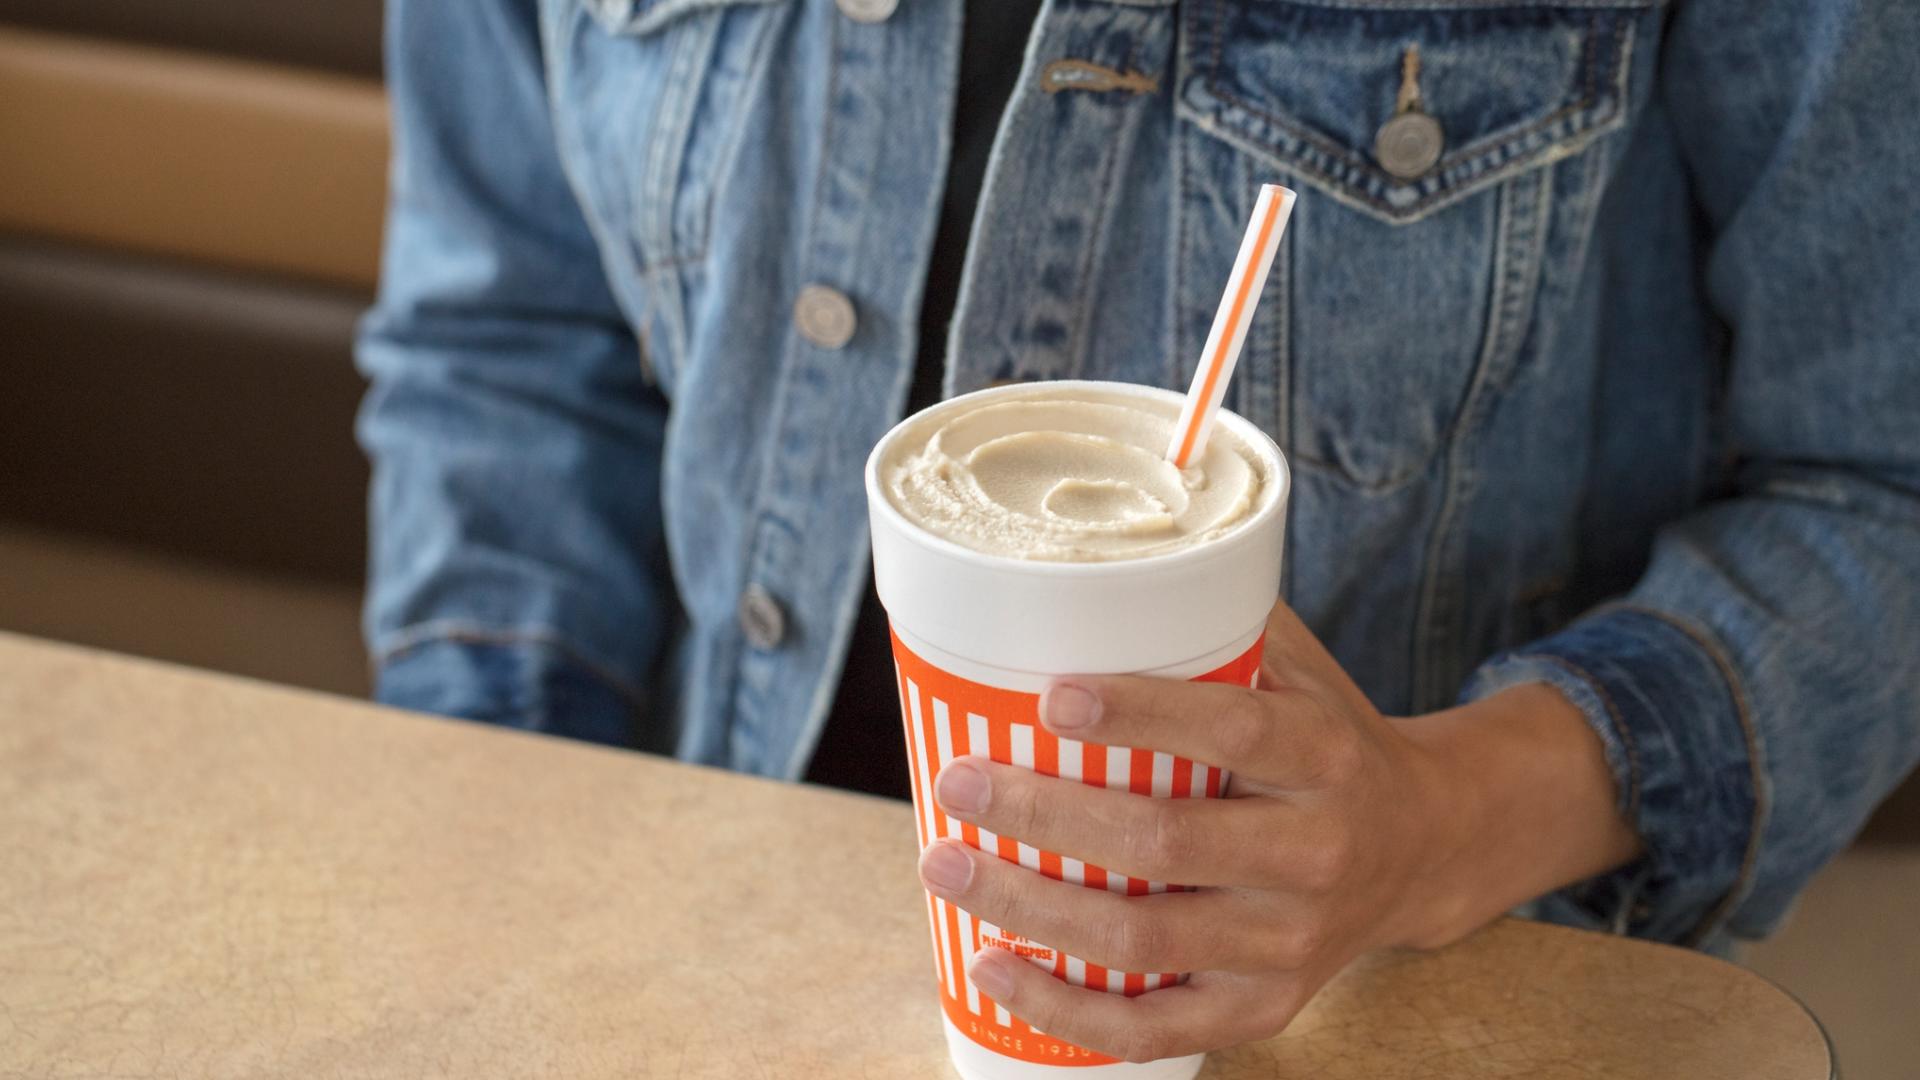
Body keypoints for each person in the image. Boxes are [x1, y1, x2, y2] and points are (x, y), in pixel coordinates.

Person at [356, 0, 1920, 1061]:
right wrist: (512, 841)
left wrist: (1437, 822)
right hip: (710, 950)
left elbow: (1881, 485)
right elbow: (511, 338)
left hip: (1405, 1014)